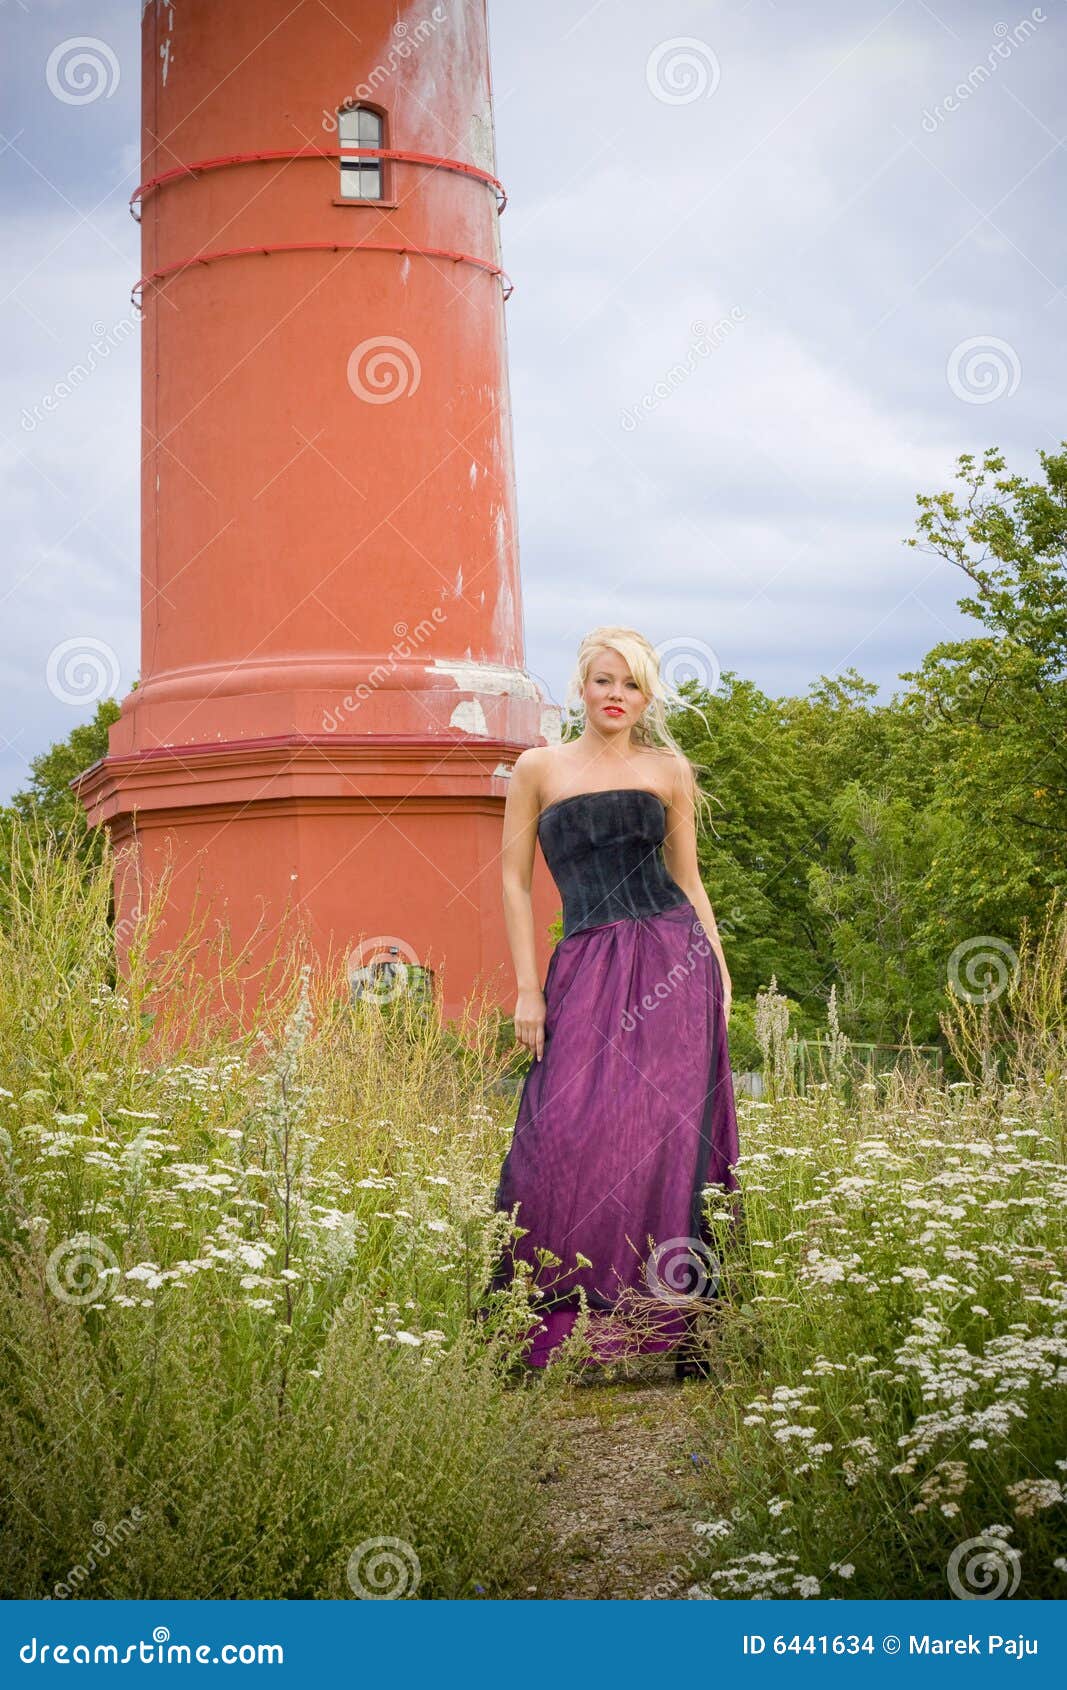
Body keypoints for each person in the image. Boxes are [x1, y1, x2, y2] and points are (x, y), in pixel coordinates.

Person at [483, 626, 742, 1378]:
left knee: (667, 1138)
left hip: (673, 959)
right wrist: (527, 988)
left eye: (629, 684)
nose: (615, 696)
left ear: (646, 696)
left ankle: (676, 1331)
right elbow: (513, 882)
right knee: (559, 1131)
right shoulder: (538, 766)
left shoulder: (669, 771)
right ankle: (542, 1333)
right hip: (586, 964)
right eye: (603, 681)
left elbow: (689, 883)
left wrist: (718, 978)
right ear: (581, 687)